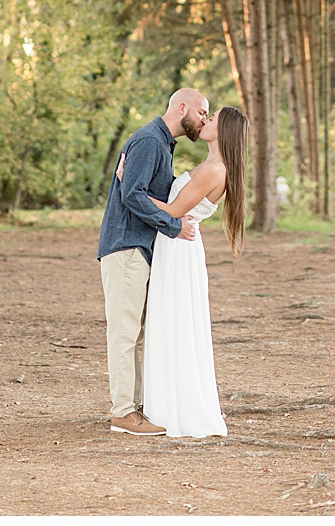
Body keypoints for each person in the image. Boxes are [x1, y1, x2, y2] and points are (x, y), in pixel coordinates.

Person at [129, 105, 250, 438]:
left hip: (178, 249)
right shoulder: (210, 165)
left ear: (223, 130)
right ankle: (163, 404)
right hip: (175, 244)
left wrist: (132, 187)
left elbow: (172, 210)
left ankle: (174, 409)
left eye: (213, 118)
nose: (206, 121)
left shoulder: (215, 170)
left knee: (175, 322)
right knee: (169, 322)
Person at [97, 88, 207, 436]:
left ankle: (133, 406)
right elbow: (132, 195)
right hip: (127, 246)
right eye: (203, 112)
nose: (204, 119)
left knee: (136, 331)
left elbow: (142, 190)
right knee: (124, 332)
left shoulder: (160, 144)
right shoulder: (149, 141)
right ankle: (123, 413)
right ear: (183, 107)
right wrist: (174, 227)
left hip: (138, 248)